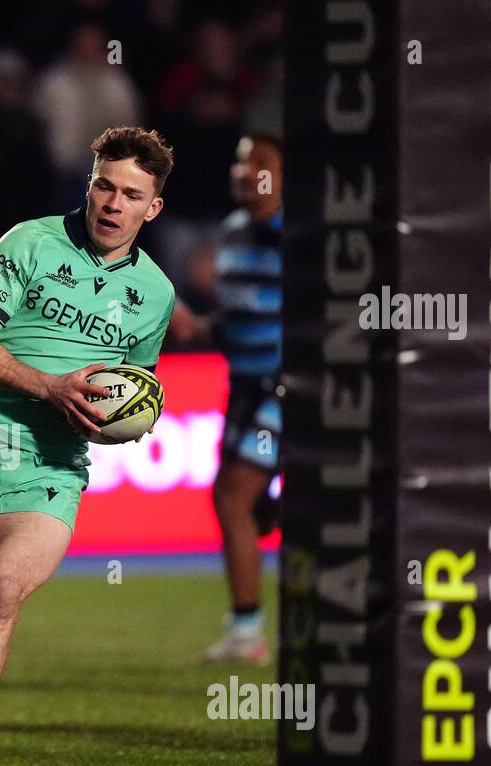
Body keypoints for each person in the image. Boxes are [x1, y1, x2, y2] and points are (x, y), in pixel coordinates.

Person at [0, 127, 176, 766]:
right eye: (104, 185)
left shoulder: (156, 295)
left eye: (131, 194)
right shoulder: (28, 241)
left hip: (52, 465)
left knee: (3, 592)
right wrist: (48, 386)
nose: (113, 203)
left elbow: (130, 393)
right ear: (89, 186)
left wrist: (118, 425)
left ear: (153, 209)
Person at [171, 133, 283, 665]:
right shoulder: (233, 232)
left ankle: (246, 632)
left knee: (232, 498)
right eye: (240, 161)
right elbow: (241, 320)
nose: (246, 171)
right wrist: (200, 328)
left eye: (261, 163)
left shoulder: (297, 231)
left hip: (286, 390)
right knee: (248, 508)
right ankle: (246, 627)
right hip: (242, 388)